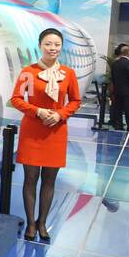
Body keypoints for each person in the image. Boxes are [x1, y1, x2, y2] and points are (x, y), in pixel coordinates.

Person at [10, 28, 81, 242]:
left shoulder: (68, 73)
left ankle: (42, 222)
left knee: (50, 180)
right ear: (40, 46)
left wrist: (60, 115)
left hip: (56, 131)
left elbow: (75, 101)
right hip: (33, 129)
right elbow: (16, 99)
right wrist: (37, 111)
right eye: (48, 44)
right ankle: (31, 223)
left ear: (61, 47)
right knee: (30, 179)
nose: (53, 48)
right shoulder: (28, 72)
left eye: (57, 44)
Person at [109, 43, 129, 132]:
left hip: (118, 91)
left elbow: (113, 78)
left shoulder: (115, 64)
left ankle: (118, 125)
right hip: (128, 92)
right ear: (128, 52)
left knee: (118, 109)